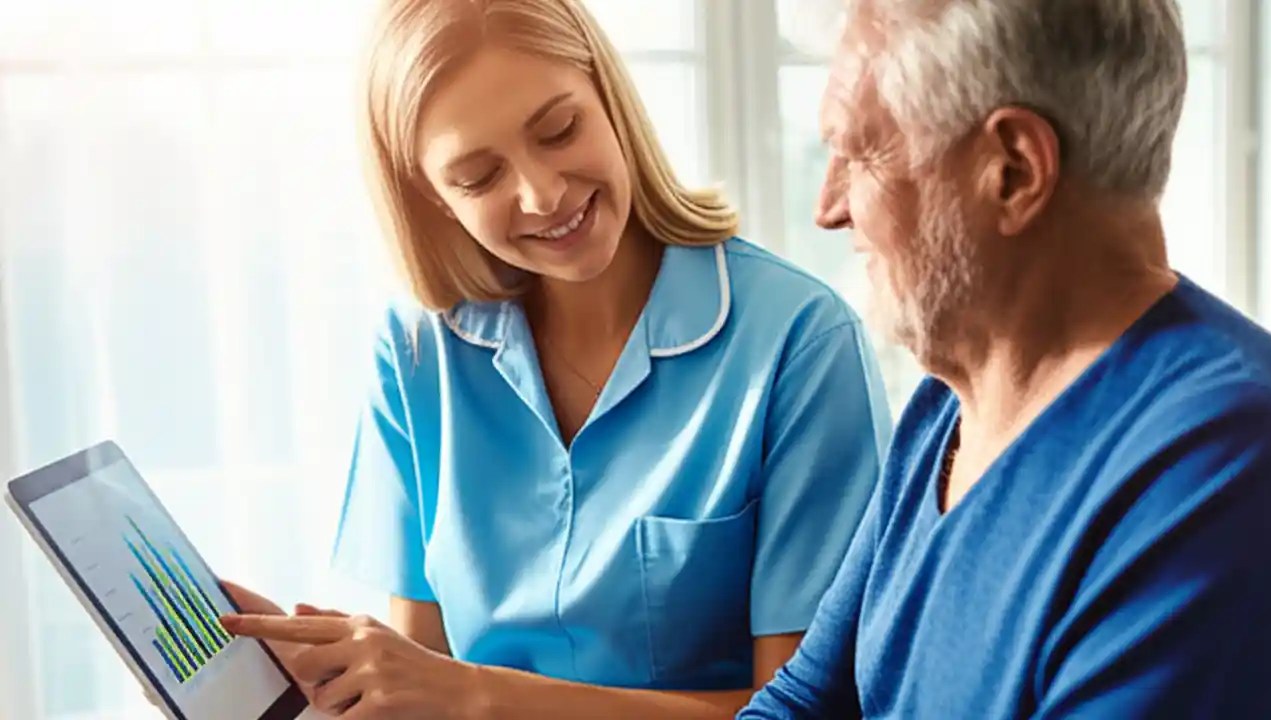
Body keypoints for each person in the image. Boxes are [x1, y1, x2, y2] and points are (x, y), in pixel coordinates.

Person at [218, 0, 892, 717]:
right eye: (479, 177)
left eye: (560, 130)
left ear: (609, 97)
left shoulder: (801, 343)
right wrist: (325, 680)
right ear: (435, 199)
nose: (542, 196)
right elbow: (420, 687)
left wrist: (473, 693)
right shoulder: (418, 353)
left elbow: (813, 709)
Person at [740, 0, 1271, 718]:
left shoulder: (1218, 462)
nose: (829, 207)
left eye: (861, 155)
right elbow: (805, 702)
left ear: (1014, 171)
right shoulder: (947, 407)